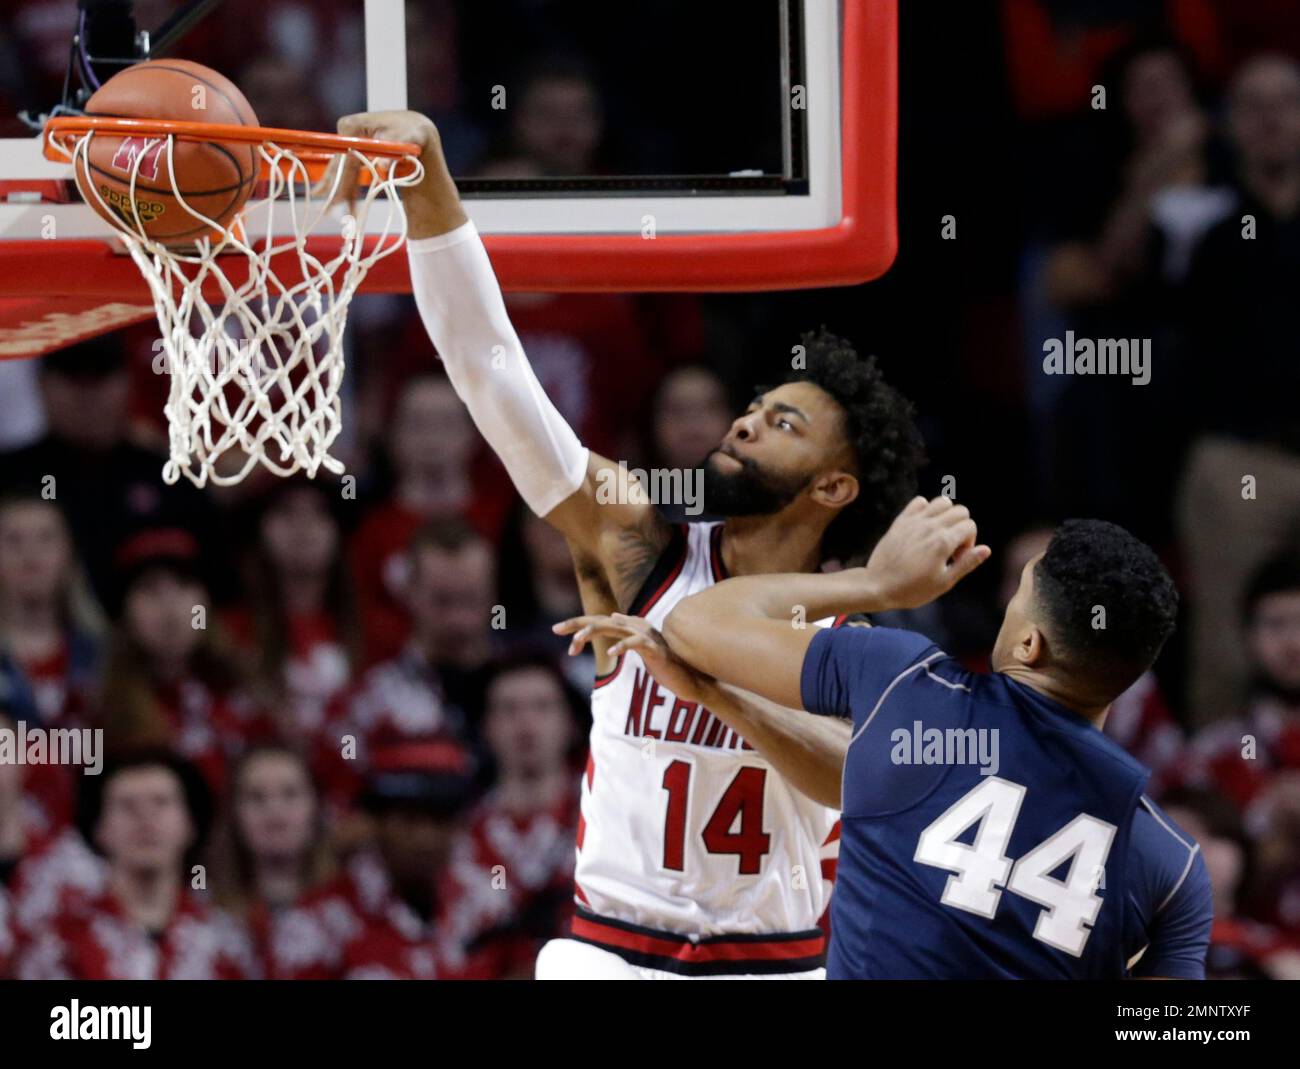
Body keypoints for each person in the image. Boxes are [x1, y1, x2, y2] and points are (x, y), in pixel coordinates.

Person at [331, 109, 927, 978]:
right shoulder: (638, 542)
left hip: (775, 967)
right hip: (614, 954)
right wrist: (429, 188)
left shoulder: (853, 643)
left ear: (833, 487)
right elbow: (494, 376)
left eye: (783, 424)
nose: (746, 423)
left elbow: (855, 782)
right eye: (754, 408)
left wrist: (708, 690)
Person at [564, 507, 1212, 978]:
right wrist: (721, 700)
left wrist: (877, 584)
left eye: (1017, 594)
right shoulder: (1174, 866)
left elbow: (696, 619)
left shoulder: (907, 688)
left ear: (1028, 644)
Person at [13, 751, 258, 980]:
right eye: (127, 804)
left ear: (190, 824)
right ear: (100, 829)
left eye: (161, 802)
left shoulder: (227, 943)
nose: (145, 818)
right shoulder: (59, 944)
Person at [268, 739, 477, 979]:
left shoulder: (487, 909)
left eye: (440, 821)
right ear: (374, 825)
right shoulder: (318, 924)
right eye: (409, 820)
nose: (425, 838)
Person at [439, 655, 583, 978]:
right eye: (509, 709)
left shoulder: (608, 821)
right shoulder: (458, 836)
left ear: (570, 723)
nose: (526, 724)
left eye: (542, 707)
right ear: (486, 726)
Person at [208, 743, 337, 972]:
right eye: (256, 797)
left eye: (290, 794)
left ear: (316, 808)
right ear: (234, 815)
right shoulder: (204, 915)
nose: (274, 810)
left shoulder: (348, 912)